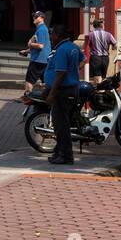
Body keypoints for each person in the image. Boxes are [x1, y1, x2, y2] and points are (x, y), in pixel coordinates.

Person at [43, 24, 83, 165]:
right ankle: (58, 152)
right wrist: (74, 71)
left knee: (61, 126)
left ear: (57, 35)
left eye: (52, 35)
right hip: (73, 89)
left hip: (63, 91)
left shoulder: (61, 50)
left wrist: (52, 94)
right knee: (62, 124)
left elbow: (60, 74)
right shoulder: (73, 47)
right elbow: (83, 60)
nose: (51, 38)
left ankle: (66, 155)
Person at [21, 9, 50, 102]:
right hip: (44, 59)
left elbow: (40, 46)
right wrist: (26, 51)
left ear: (41, 18)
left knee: (29, 79)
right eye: (33, 16)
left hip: (38, 60)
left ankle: (27, 97)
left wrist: (30, 44)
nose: (34, 18)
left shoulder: (41, 29)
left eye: (36, 16)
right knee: (45, 81)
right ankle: (47, 97)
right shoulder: (42, 29)